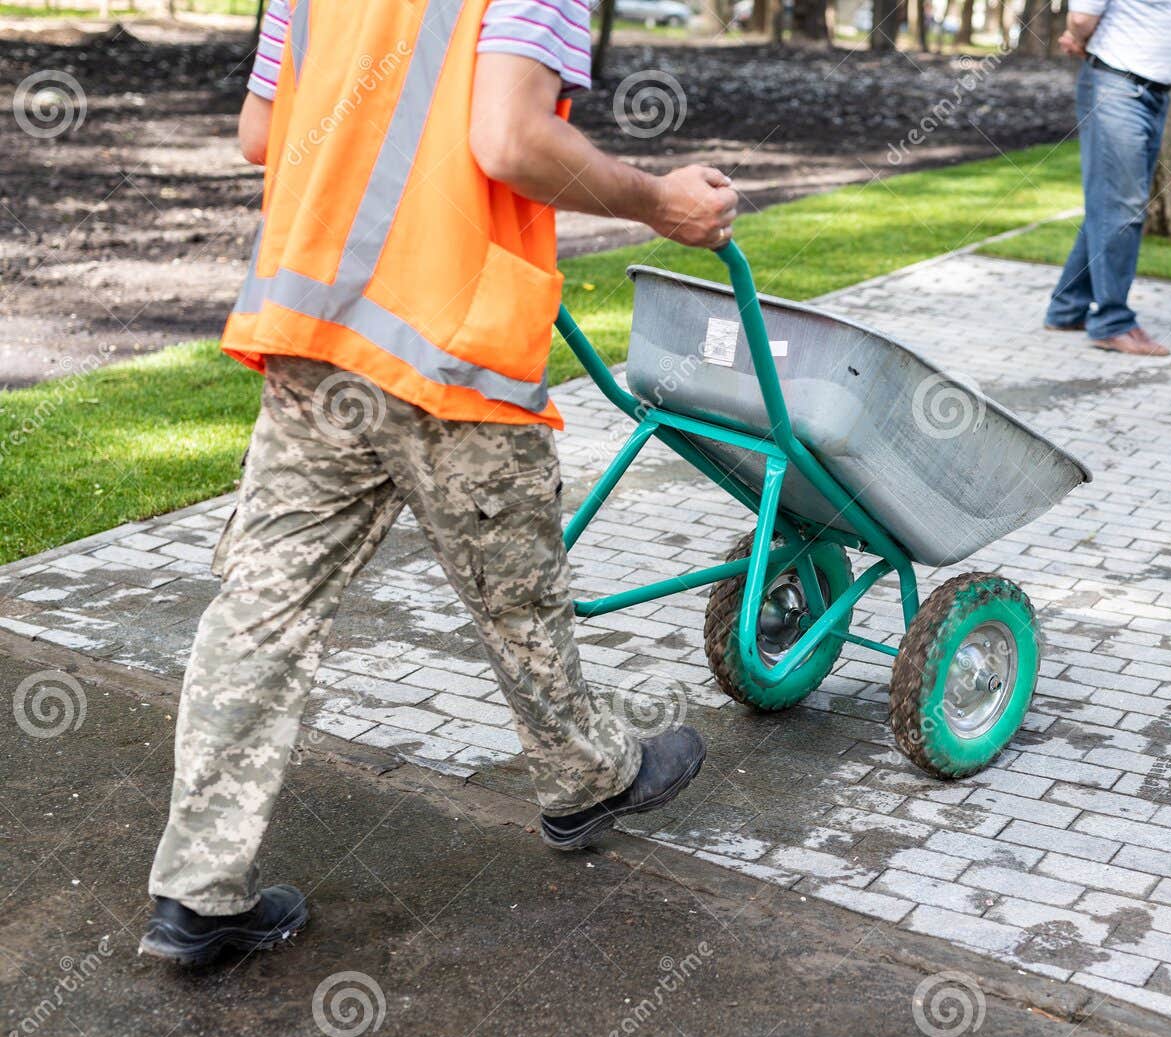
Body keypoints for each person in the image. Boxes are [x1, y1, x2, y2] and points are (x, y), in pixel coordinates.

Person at [140, 0, 738, 967]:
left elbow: (261, 132)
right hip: (442, 348)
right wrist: (659, 203)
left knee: (261, 608)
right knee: (517, 599)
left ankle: (197, 892)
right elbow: (507, 139)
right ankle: (587, 775)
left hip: (314, 330)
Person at [1046, 0, 1171, 357]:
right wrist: (1077, 35)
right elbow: (1081, 16)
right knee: (1121, 208)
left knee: (1111, 206)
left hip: (1149, 92)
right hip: (1118, 88)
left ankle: (1067, 308)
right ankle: (1112, 324)